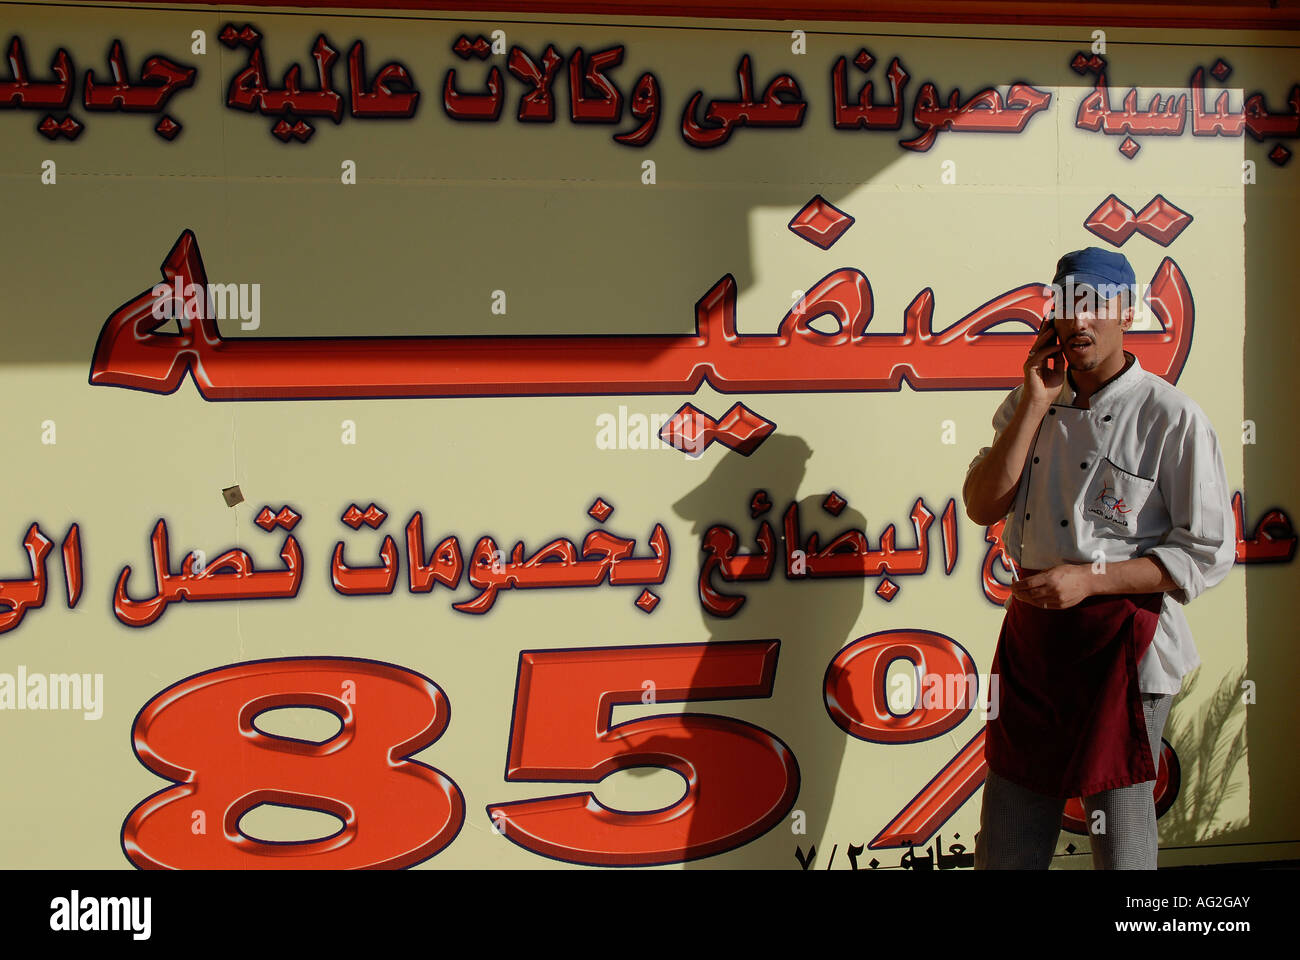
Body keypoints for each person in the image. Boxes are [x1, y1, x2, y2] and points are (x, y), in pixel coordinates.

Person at [962, 247, 1236, 870]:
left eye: (1096, 306)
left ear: (1127, 313)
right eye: (1065, 306)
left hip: (1125, 647)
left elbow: (1207, 553)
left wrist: (1090, 580)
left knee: (1121, 834)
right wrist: (1034, 402)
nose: (1079, 322)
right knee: (1009, 825)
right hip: (1034, 643)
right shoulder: (1029, 401)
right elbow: (982, 504)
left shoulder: (1170, 417)